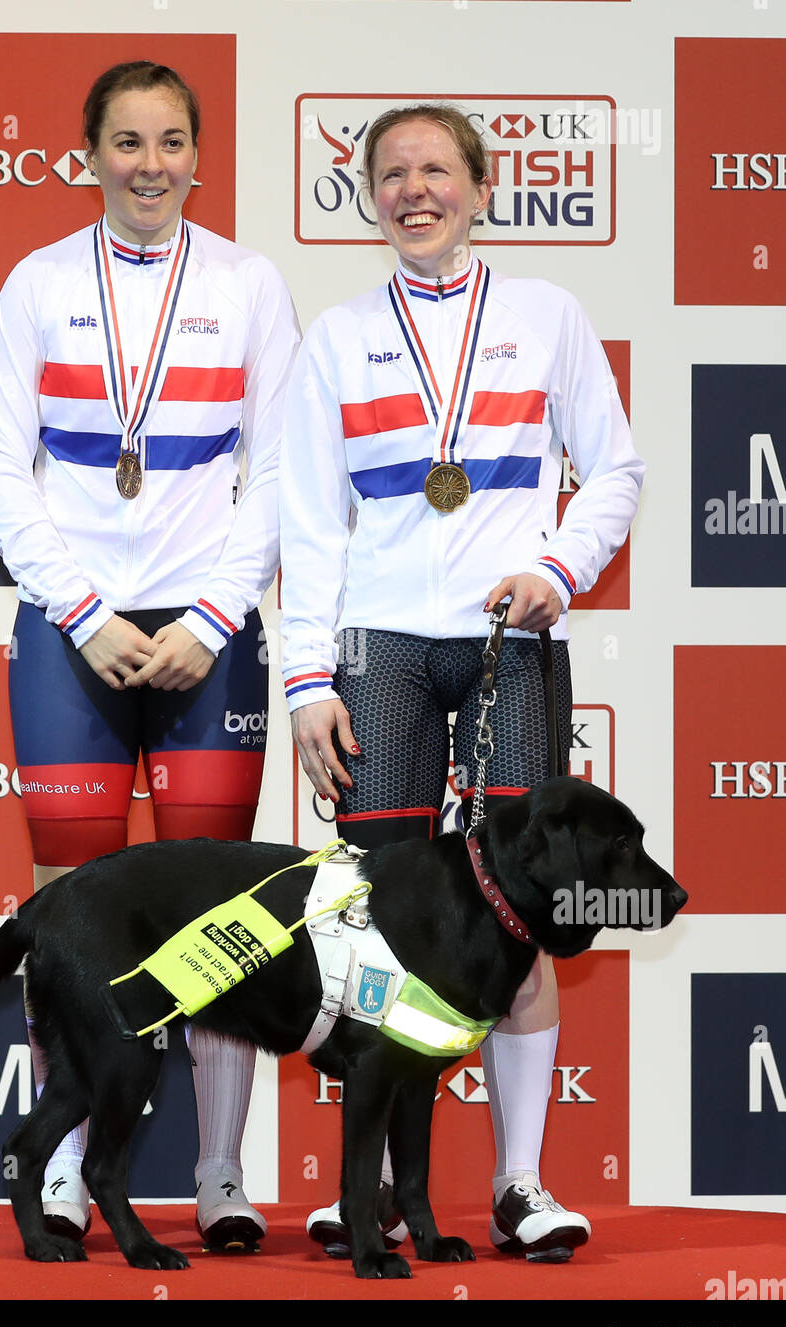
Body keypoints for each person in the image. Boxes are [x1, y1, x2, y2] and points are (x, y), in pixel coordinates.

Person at [279, 104, 643, 1261]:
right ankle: (371, 1183)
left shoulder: (547, 315)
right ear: (370, 197)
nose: (413, 189)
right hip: (379, 647)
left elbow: (616, 469)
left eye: (436, 169)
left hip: (507, 637)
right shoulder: (335, 335)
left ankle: (521, 1183)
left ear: (482, 189)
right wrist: (302, 680)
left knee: (520, 914)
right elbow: (305, 522)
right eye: (391, 173)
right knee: (373, 920)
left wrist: (556, 563)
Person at [0, 60, 300, 1251]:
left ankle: (219, 1173)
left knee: (223, 916)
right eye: (125, 141)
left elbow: (279, 471)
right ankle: (61, 1171)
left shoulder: (252, 282)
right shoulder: (37, 283)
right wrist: (85, 612)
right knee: (70, 919)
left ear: (198, 156)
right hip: (76, 636)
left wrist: (212, 617)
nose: (148, 164)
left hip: (208, 637)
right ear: (88, 153)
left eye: (170, 142)